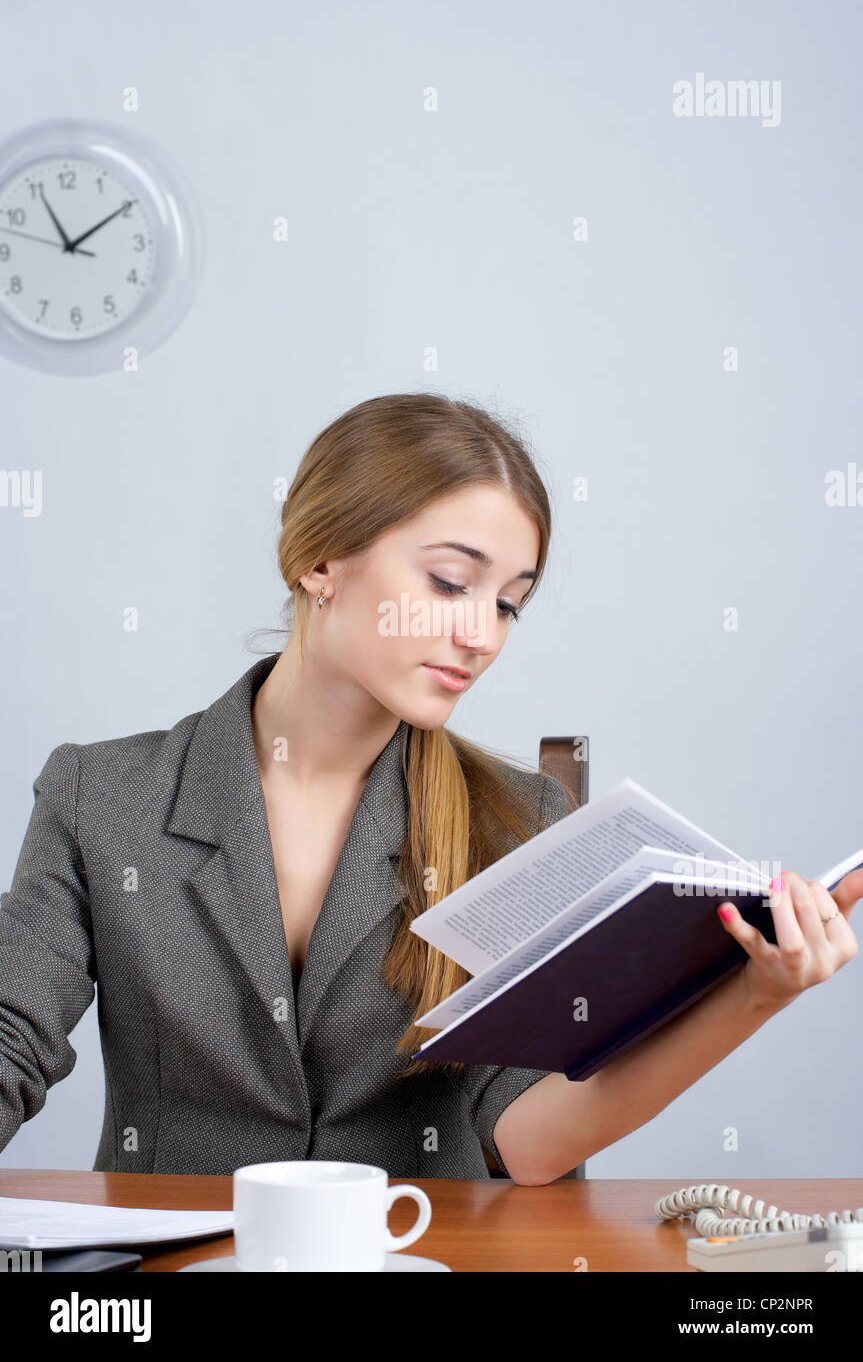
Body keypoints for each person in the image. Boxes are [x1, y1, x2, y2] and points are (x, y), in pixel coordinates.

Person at [1, 392, 859, 1183]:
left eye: (508, 604)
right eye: (450, 583)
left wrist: (755, 994)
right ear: (320, 562)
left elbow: (524, 1138)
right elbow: (12, 1038)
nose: (481, 635)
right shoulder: (99, 795)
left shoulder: (521, 819)